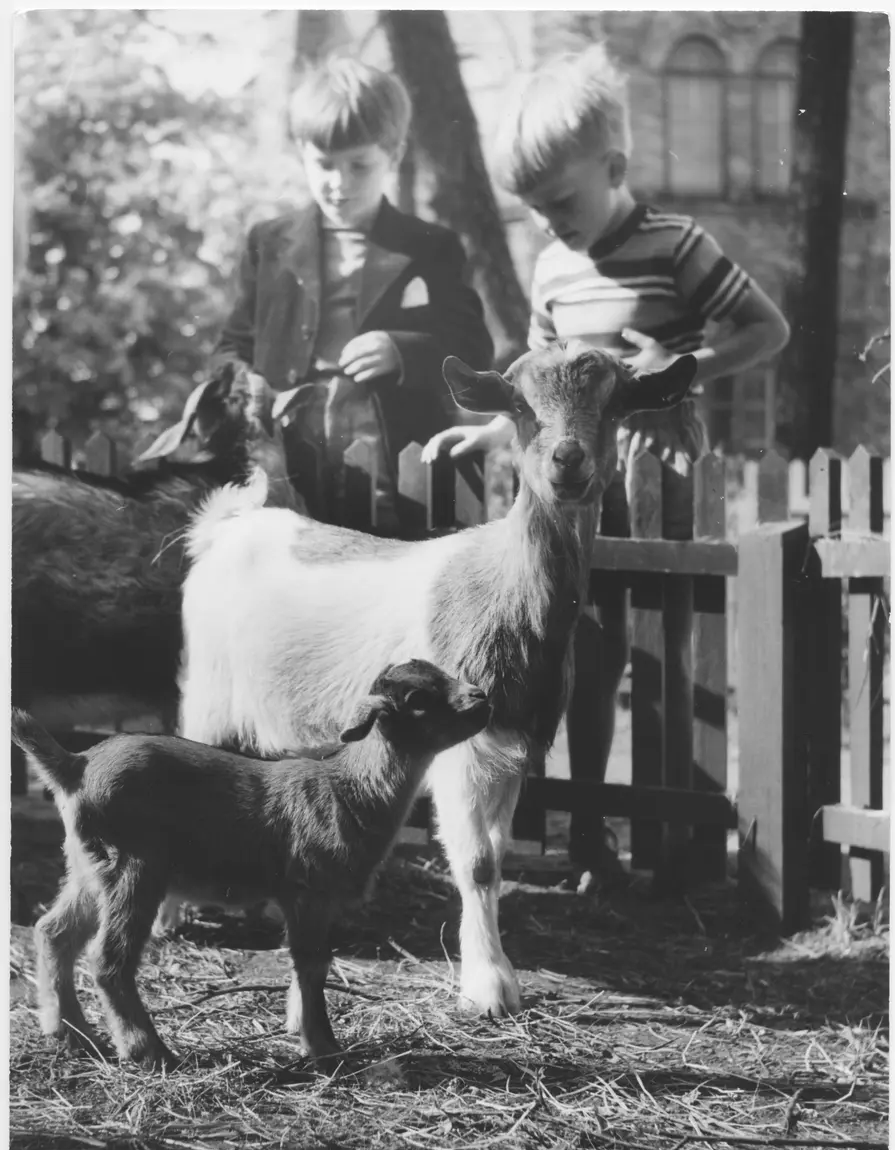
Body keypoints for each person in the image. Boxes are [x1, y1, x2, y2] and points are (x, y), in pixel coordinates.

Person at [423, 42, 790, 889]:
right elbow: (542, 384)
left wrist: (681, 366)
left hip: (656, 483)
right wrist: (494, 435)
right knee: (582, 658)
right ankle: (587, 838)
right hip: (574, 505)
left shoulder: (676, 245)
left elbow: (765, 330)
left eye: (560, 200)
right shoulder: (554, 267)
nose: (550, 223)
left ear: (614, 166)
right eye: (535, 209)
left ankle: (678, 850)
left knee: (665, 655)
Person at [213, 56, 494, 526]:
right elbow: (230, 346)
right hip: (290, 461)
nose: (338, 184)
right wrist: (245, 381)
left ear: (394, 155)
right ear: (302, 151)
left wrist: (403, 350)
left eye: (359, 166)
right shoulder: (269, 244)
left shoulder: (432, 248)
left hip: (396, 466)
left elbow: (473, 349)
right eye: (324, 165)